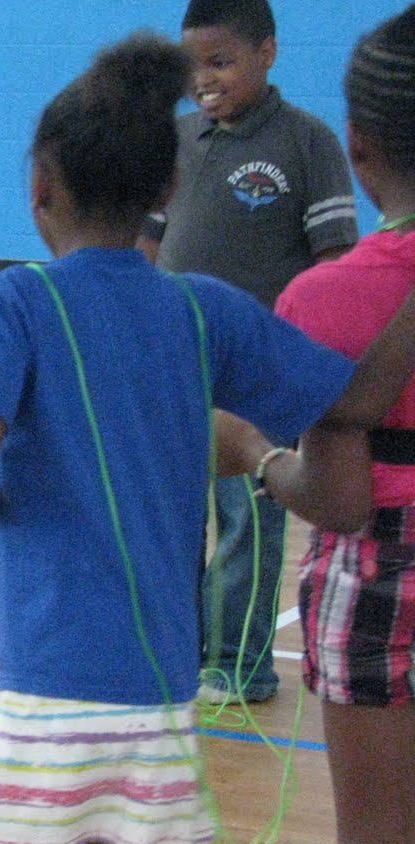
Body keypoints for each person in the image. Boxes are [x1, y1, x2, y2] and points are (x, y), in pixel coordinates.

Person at [0, 33, 415, 844]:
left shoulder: (18, 299)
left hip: (55, 676)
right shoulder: (200, 311)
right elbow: (350, 427)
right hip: (154, 681)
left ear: (39, 187)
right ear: (165, 190)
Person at [220, 9, 415, 844]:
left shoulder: (328, 299)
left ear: (356, 145)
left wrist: (246, 451)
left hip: (384, 575)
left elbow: (331, 496)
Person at [140, 0, 360, 706]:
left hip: (257, 372)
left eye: (221, 62)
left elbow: (336, 263)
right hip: (177, 367)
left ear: (268, 53)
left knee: (247, 522)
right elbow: (144, 247)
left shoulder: (307, 142)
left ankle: (239, 665)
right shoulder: (173, 141)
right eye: (192, 66)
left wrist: (309, 368)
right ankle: (181, 654)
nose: (204, 80)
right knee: (173, 518)